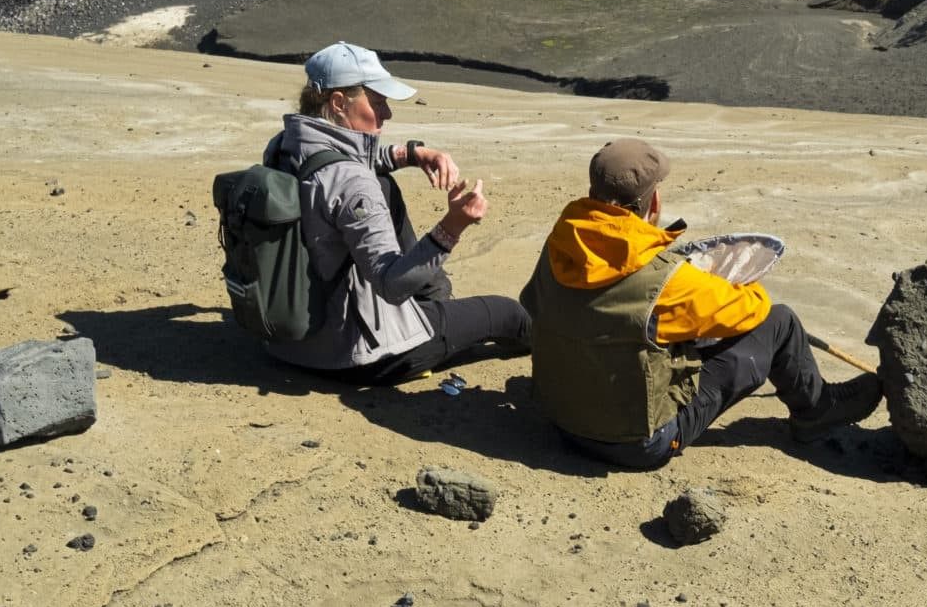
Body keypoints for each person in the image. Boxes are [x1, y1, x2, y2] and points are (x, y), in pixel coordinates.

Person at [521, 139, 881, 468]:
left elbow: (534, 302)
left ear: (591, 193)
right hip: (636, 443)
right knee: (780, 322)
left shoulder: (559, 247)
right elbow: (752, 309)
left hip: (559, 419)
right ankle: (816, 410)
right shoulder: (667, 282)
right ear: (654, 203)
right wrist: (708, 287)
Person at [260, 41, 528, 384]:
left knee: (385, 185)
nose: (387, 113)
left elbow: (354, 159)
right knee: (508, 314)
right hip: (360, 354)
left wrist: (413, 154)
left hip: (289, 343)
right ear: (339, 103)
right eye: (377, 102)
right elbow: (391, 285)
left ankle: (433, 299)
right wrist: (453, 226)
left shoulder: (284, 144)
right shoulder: (352, 182)